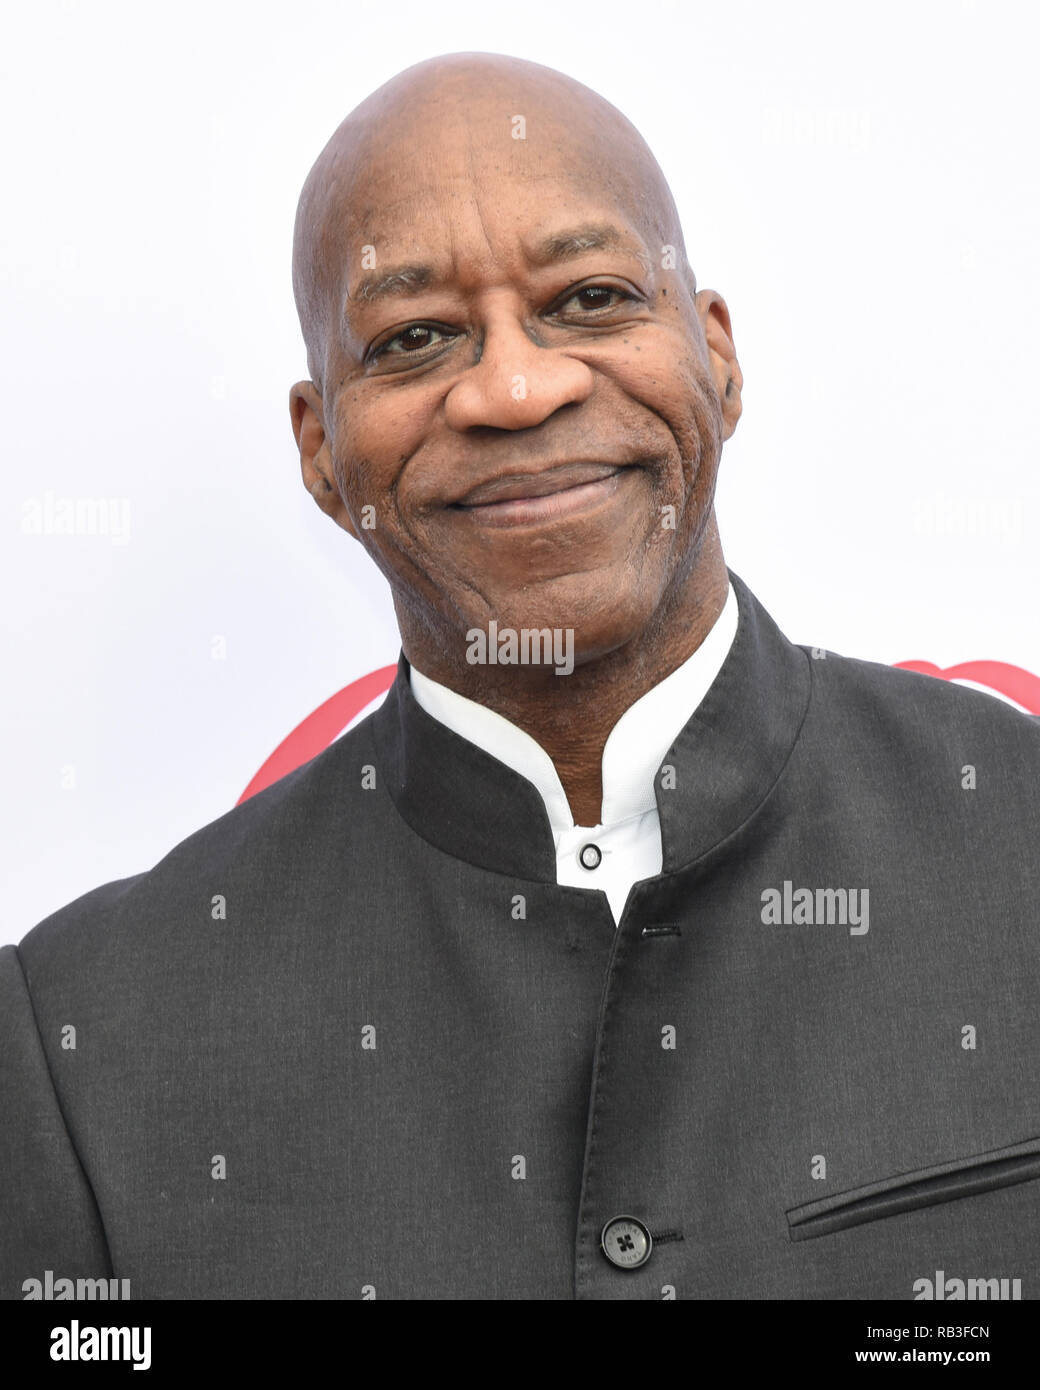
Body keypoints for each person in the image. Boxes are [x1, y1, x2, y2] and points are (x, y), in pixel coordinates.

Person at [3, 51, 1039, 1302]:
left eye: (590, 298)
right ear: (322, 453)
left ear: (715, 353)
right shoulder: (82, 1035)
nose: (514, 386)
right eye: (415, 336)